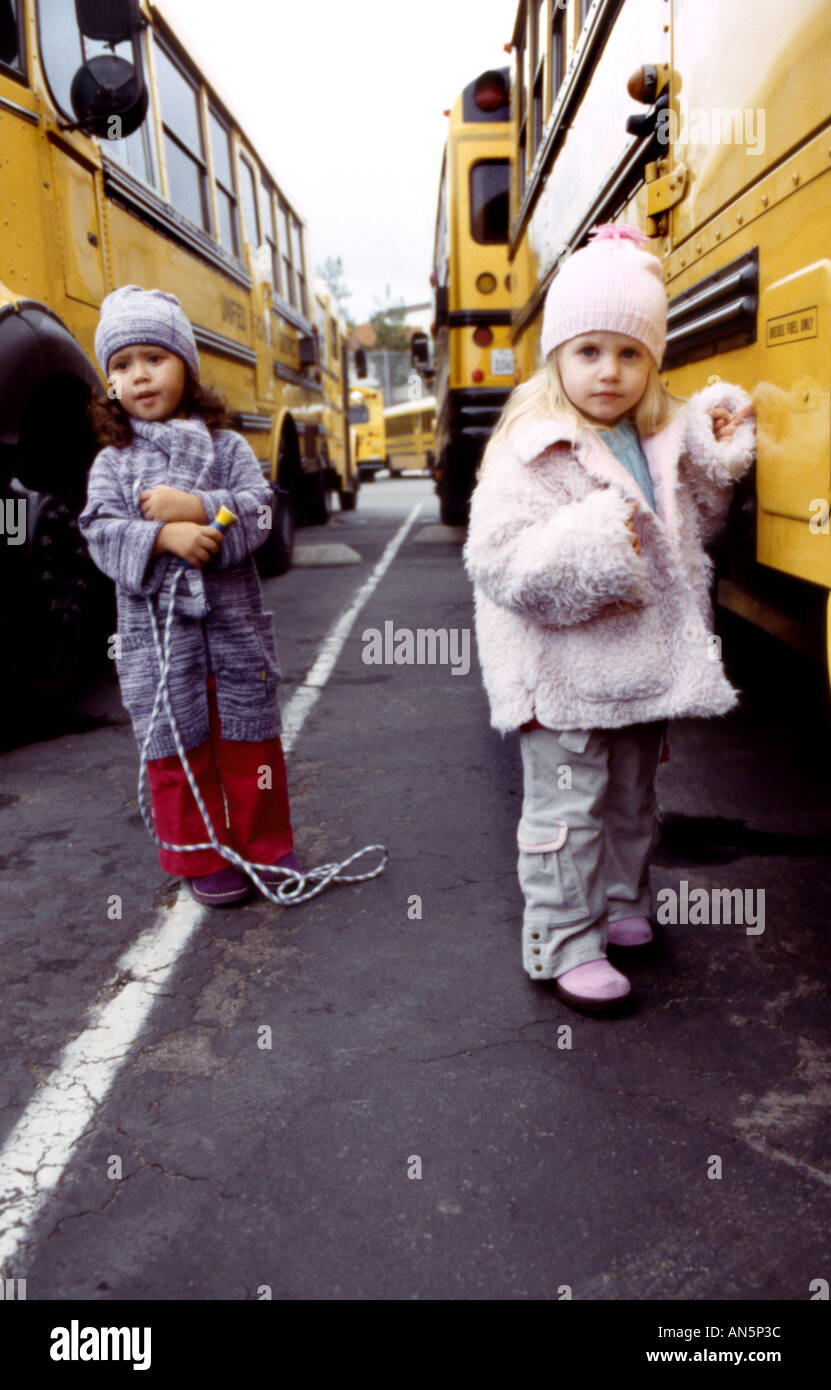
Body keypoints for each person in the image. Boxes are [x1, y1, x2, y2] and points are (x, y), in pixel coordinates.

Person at [463, 225, 755, 1016]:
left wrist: (717, 461)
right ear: (556, 354)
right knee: (566, 812)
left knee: (631, 802)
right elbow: (498, 559)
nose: (608, 371)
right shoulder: (533, 446)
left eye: (629, 353)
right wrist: (594, 540)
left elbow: (692, 529)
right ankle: (561, 941)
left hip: (635, 666)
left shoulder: (654, 437)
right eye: (588, 351)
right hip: (560, 674)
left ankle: (622, 904)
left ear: (651, 361)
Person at [79, 285, 301, 907]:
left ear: (187, 366)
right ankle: (199, 854)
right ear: (111, 385)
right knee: (178, 748)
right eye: (121, 366)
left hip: (233, 632)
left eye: (155, 357)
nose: (139, 376)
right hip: (160, 640)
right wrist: (161, 536)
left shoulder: (227, 450)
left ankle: (266, 846)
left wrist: (203, 509)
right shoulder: (114, 464)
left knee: (250, 740)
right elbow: (98, 532)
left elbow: (257, 513)